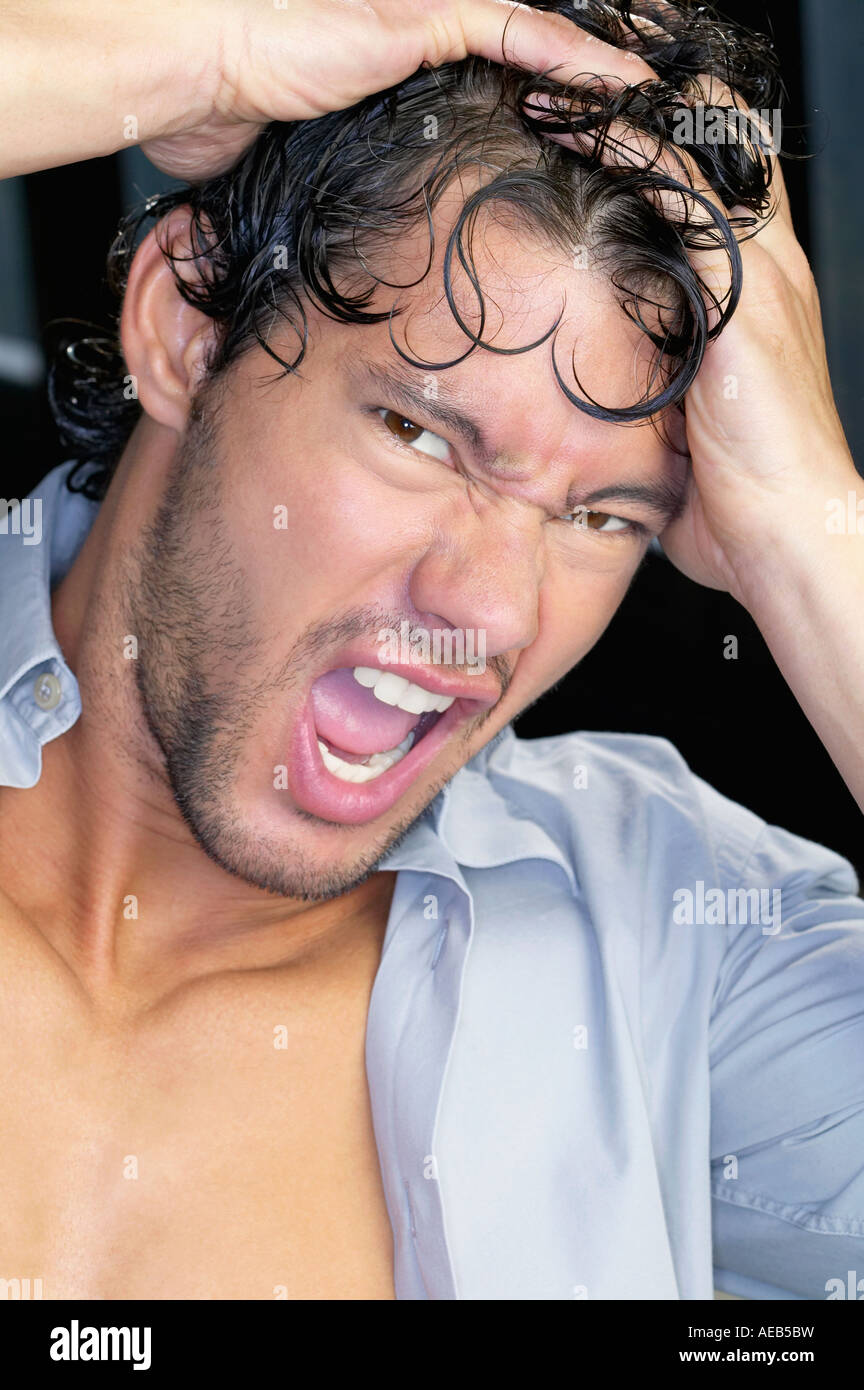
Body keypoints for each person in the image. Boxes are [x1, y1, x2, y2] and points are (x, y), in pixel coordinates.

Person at [0, 0, 862, 1301]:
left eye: (597, 513)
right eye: (422, 435)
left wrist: (814, 523)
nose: (491, 607)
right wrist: (193, 57)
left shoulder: (682, 959)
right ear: (184, 322)